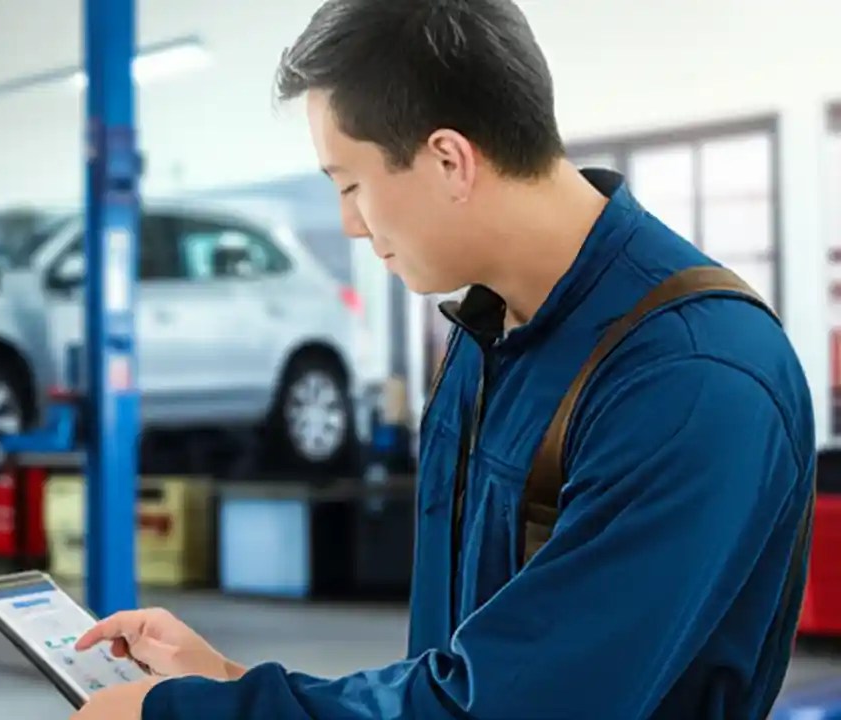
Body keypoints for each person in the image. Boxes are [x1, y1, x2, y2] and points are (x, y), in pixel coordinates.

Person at [70, 0, 817, 717]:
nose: (351, 226)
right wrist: (226, 684)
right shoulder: (484, 336)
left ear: (450, 160)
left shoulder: (690, 380)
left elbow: (518, 710)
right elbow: (460, 680)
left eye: (351, 185)